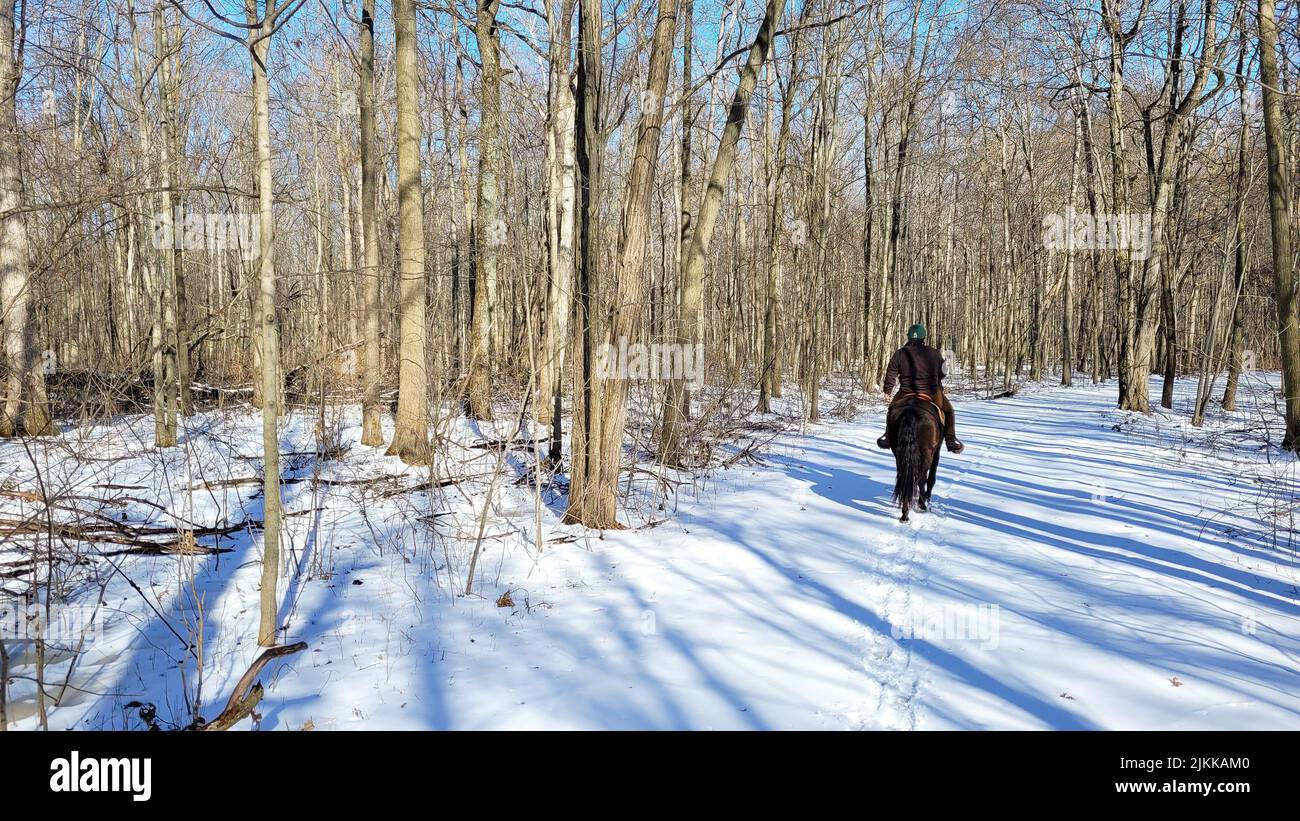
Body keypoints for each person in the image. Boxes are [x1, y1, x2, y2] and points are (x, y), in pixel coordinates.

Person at [876, 323, 963, 454]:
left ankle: (888, 436)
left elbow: (891, 372)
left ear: (909, 337)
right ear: (924, 337)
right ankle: (950, 440)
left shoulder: (900, 353)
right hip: (931, 392)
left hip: (906, 391)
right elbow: (941, 374)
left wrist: (888, 391)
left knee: (892, 409)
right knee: (948, 411)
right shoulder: (934, 353)